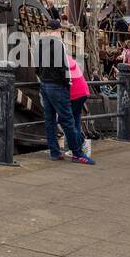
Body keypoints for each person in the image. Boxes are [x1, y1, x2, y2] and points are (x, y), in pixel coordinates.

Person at [36, 19, 93, 164]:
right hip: (57, 85)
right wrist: (67, 84)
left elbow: (36, 66)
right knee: (67, 120)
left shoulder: (39, 43)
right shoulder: (58, 44)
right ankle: (77, 153)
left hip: (44, 84)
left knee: (49, 120)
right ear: (58, 30)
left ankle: (55, 152)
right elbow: (63, 68)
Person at [65, 49, 93, 159]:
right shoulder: (69, 59)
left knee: (68, 122)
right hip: (83, 91)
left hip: (74, 94)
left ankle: (79, 145)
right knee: (75, 121)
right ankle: (79, 146)